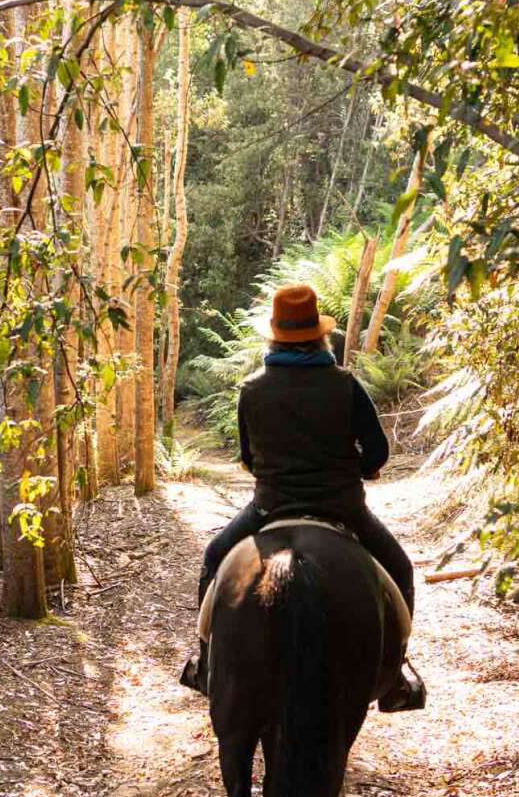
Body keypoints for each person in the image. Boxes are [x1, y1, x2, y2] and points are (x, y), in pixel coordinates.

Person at [182, 282, 425, 712]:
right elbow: (378, 452)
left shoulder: (252, 389)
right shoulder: (344, 384)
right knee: (400, 568)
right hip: (342, 507)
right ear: (320, 334)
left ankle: (206, 664)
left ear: (273, 335)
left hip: (269, 507)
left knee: (213, 557)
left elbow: (247, 458)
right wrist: (361, 467)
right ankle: (396, 675)